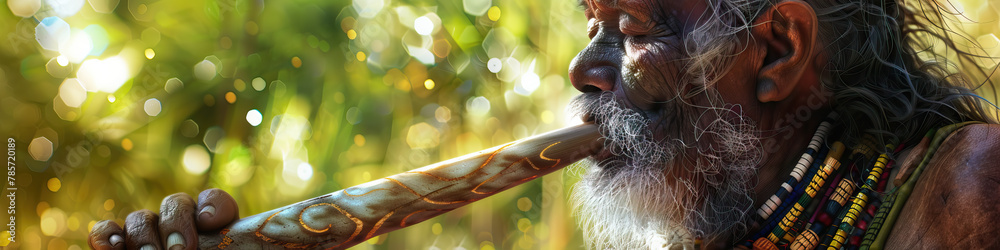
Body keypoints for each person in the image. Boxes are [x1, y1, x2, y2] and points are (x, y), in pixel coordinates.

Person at [90, 0, 1000, 249]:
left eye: (633, 29)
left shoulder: (980, 193)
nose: (582, 68)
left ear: (777, 49)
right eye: (591, 24)